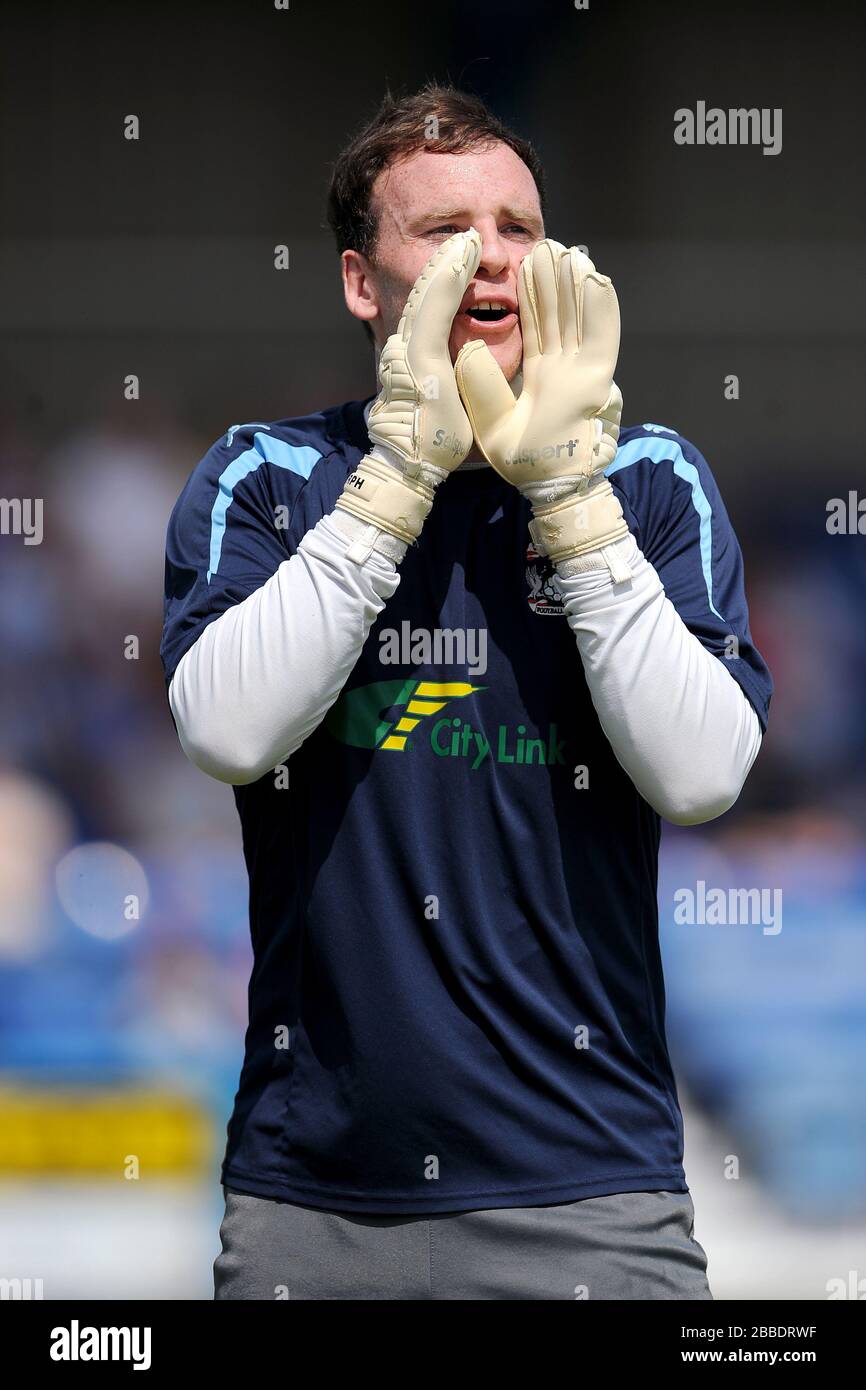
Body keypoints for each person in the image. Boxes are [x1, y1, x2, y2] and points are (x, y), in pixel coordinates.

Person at [161, 83, 772, 1300]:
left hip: (595, 1198)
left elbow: (701, 775)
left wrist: (569, 501)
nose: (489, 258)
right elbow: (227, 732)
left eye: (516, 226)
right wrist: (397, 475)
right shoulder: (265, 474)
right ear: (358, 280)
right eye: (442, 231)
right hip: (313, 1203)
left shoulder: (646, 478)